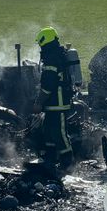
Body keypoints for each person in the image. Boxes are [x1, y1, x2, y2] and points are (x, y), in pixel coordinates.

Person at [35, 26, 74, 174]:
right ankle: (51, 158)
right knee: (49, 131)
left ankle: (67, 162)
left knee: (59, 132)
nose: (40, 46)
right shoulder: (56, 55)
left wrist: (38, 102)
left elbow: (48, 85)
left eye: (40, 43)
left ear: (46, 41)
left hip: (58, 103)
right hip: (52, 104)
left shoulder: (52, 58)